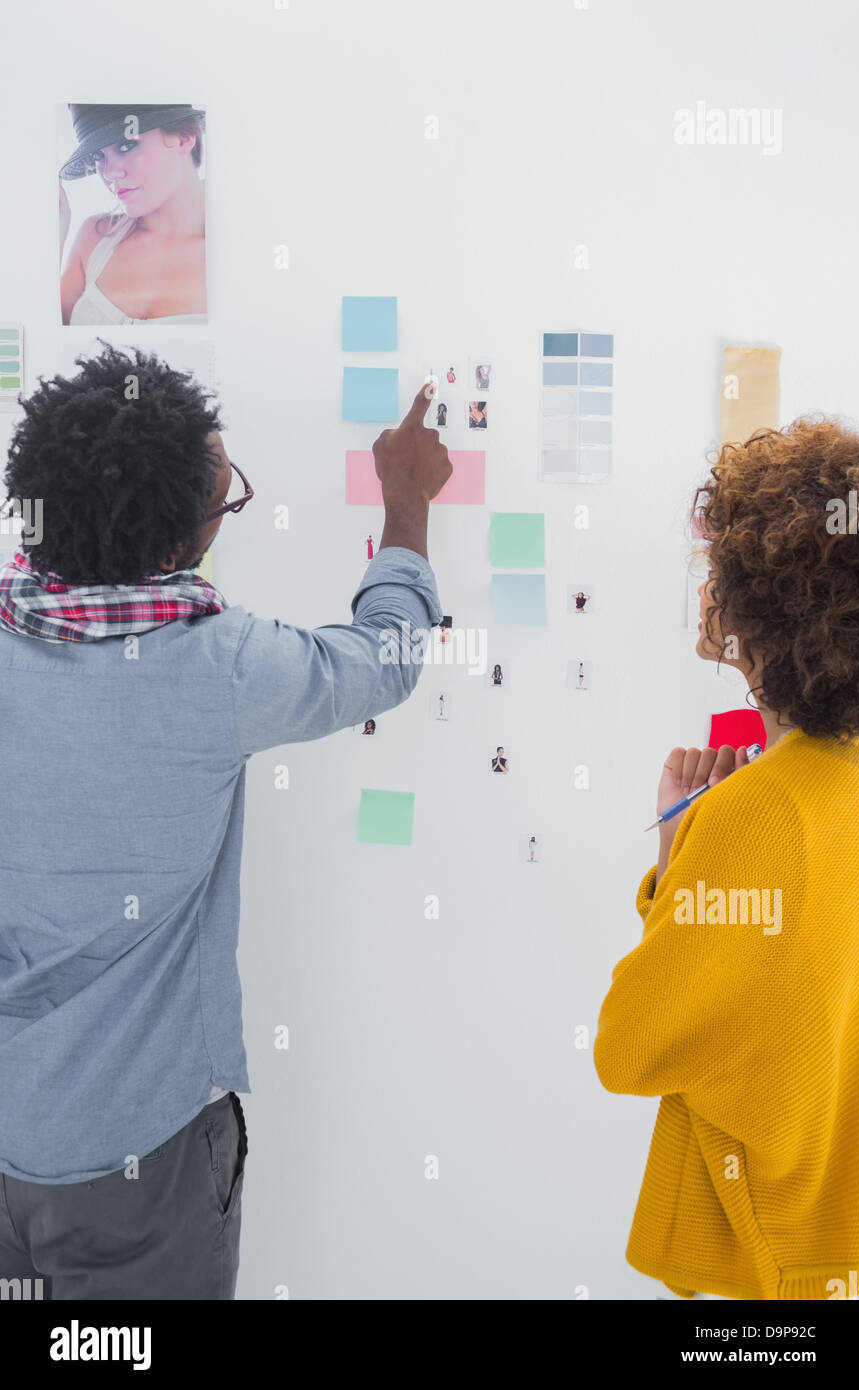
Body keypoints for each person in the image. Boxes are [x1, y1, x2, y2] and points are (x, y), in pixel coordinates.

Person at [0, 348, 450, 1299]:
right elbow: (387, 659)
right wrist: (406, 502)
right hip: (143, 1159)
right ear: (175, 544)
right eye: (224, 501)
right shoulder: (221, 667)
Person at [594, 419, 859, 1301]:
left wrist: (674, 868)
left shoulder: (755, 816)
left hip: (775, 1264)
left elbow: (632, 1049)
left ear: (756, 610)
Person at [59, 104, 208, 325]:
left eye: (127, 145)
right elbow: (43, 341)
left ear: (185, 137)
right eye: (99, 155)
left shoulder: (239, 248)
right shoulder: (93, 238)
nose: (110, 172)